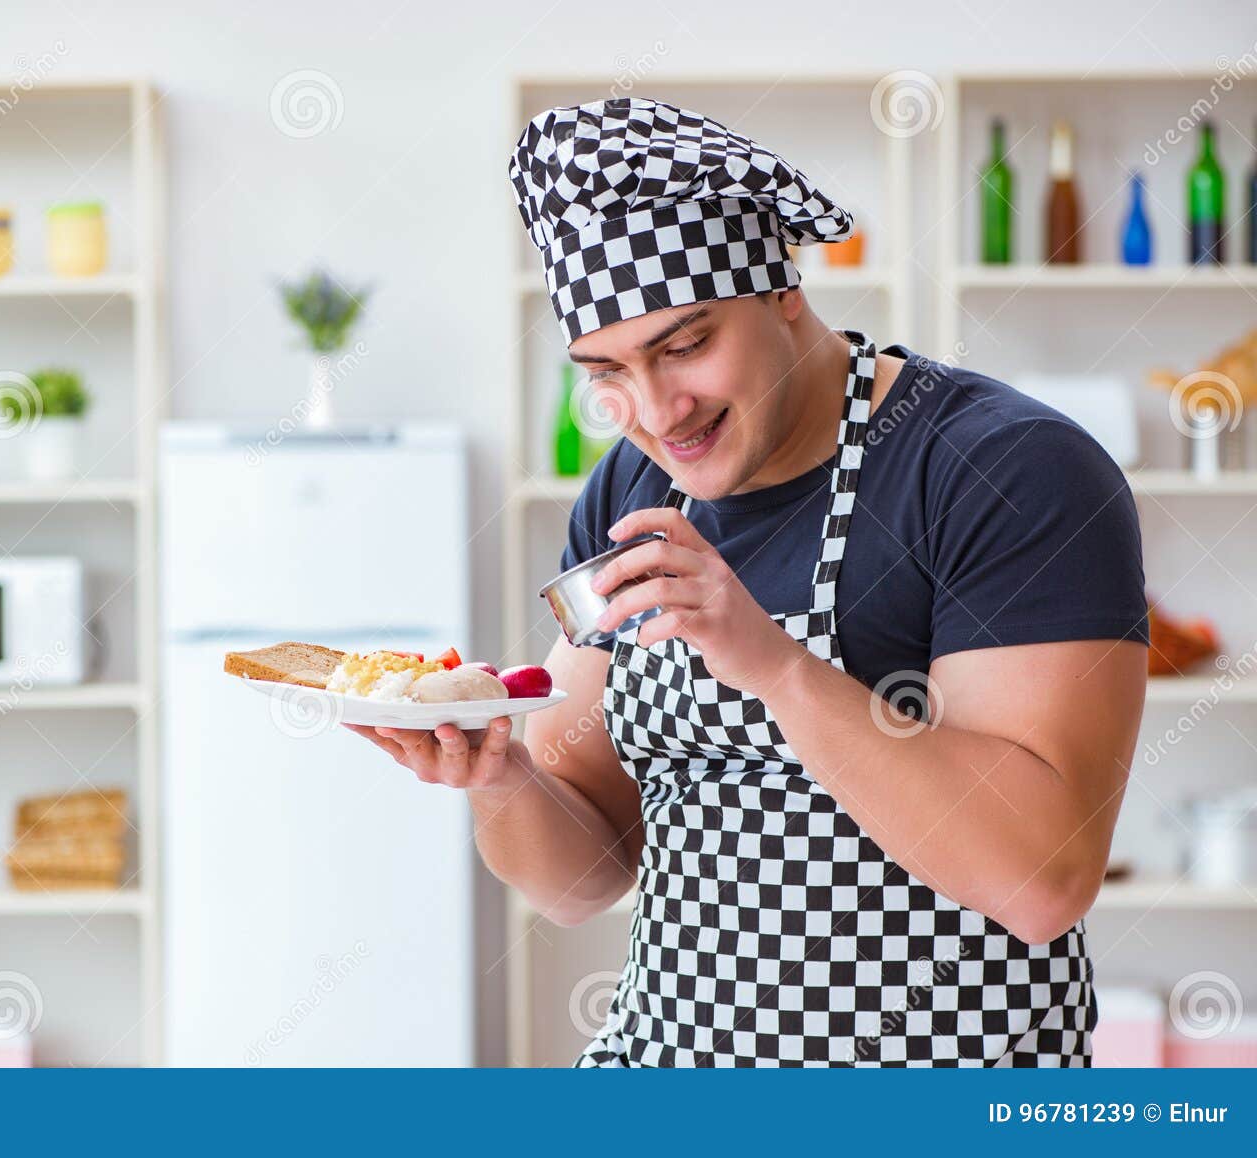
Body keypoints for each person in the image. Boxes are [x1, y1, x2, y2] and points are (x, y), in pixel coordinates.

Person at [350, 98, 1147, 1066]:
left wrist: (769, 663)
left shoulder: (1005, 469)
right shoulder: (631, 485)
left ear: (783, 294)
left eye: (684, 345)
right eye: (605, 370)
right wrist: (500, 775)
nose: (654, 411)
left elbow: (1040, 883)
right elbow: (580, 879)